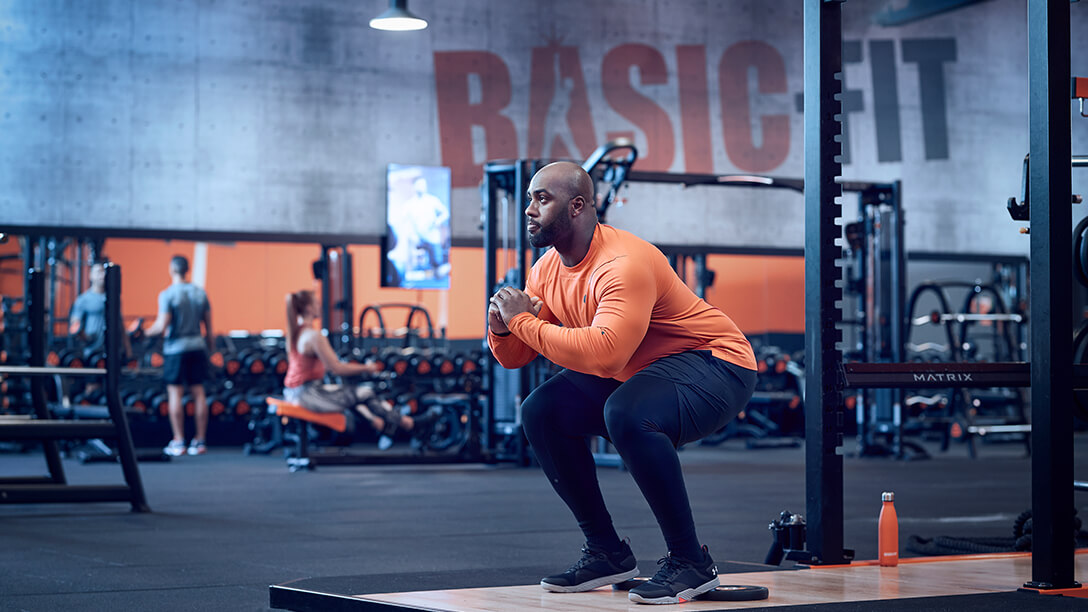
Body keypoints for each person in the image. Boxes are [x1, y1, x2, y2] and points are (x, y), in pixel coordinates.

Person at [488, 161, 758, 605]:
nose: (530, 211)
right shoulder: (546, 270)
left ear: (577, 206)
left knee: (628, 412)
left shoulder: (622, 263)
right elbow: (520, 356)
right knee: (541, 410)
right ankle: (607, 552)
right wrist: (502, 329)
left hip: (717, 363)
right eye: (529, 200)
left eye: (542, 199)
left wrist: (521, 321)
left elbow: (606, 353)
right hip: (642, 370)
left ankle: (691, 562)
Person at [283, 289, 436, 450]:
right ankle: (407, 425)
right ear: (308, 308)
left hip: (296, 392)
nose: (320, 307)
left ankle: (390, 425)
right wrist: (368, 368)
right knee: (365, 392)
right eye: (317, 304)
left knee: (354, 394)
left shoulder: (295, 334)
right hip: (309, 396)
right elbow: (336, 368)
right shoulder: (315, 337)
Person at [145, 255, 213, 457]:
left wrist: (142, 332)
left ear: (171, 269)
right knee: (198, 393)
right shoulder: (200, 293)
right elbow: (209, 329)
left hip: (175, 349)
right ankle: (200, 441)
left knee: (175, 394)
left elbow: (161, 326)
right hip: (197, 347)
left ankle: (179, 441)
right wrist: (210, 352)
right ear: (187, 269)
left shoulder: (168, 294)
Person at [404, 176, 450, 272]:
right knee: (417, 267)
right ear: (414, 186)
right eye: (419, 184)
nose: (422, 187)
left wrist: (438, 221)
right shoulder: (409, 204)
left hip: (432, 237)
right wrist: (412, 235)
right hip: (418, 239)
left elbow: (445, 213)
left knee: (437, 264)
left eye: (423, 184)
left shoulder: (432, 200)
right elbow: (406, 222)